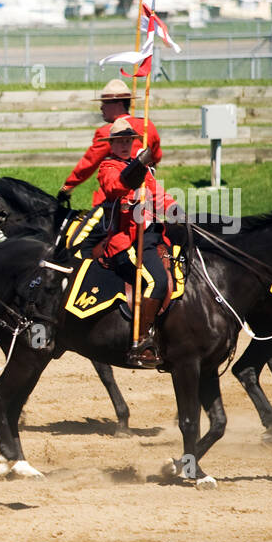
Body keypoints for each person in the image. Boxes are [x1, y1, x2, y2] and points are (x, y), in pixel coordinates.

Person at [92, 118, 178, 368]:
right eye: (119, 141)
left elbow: (159, 195)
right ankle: (140, 343)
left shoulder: (138, 166)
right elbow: (117, 186)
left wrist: (176, 211)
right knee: (157, 280)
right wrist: (138, 166)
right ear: (111, 144)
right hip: (128, 241)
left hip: (152, 234)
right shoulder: (108, 166)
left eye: (128, 140)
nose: (124, 145)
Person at [59, 78, 163, 207]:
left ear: (119, 104)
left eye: (105, 103)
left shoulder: (107, 132)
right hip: (146, 197)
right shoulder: (148, 126)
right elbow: (156, 157)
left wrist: (67, 186)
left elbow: (88, 164)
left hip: (115, 202)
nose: (101, 107)